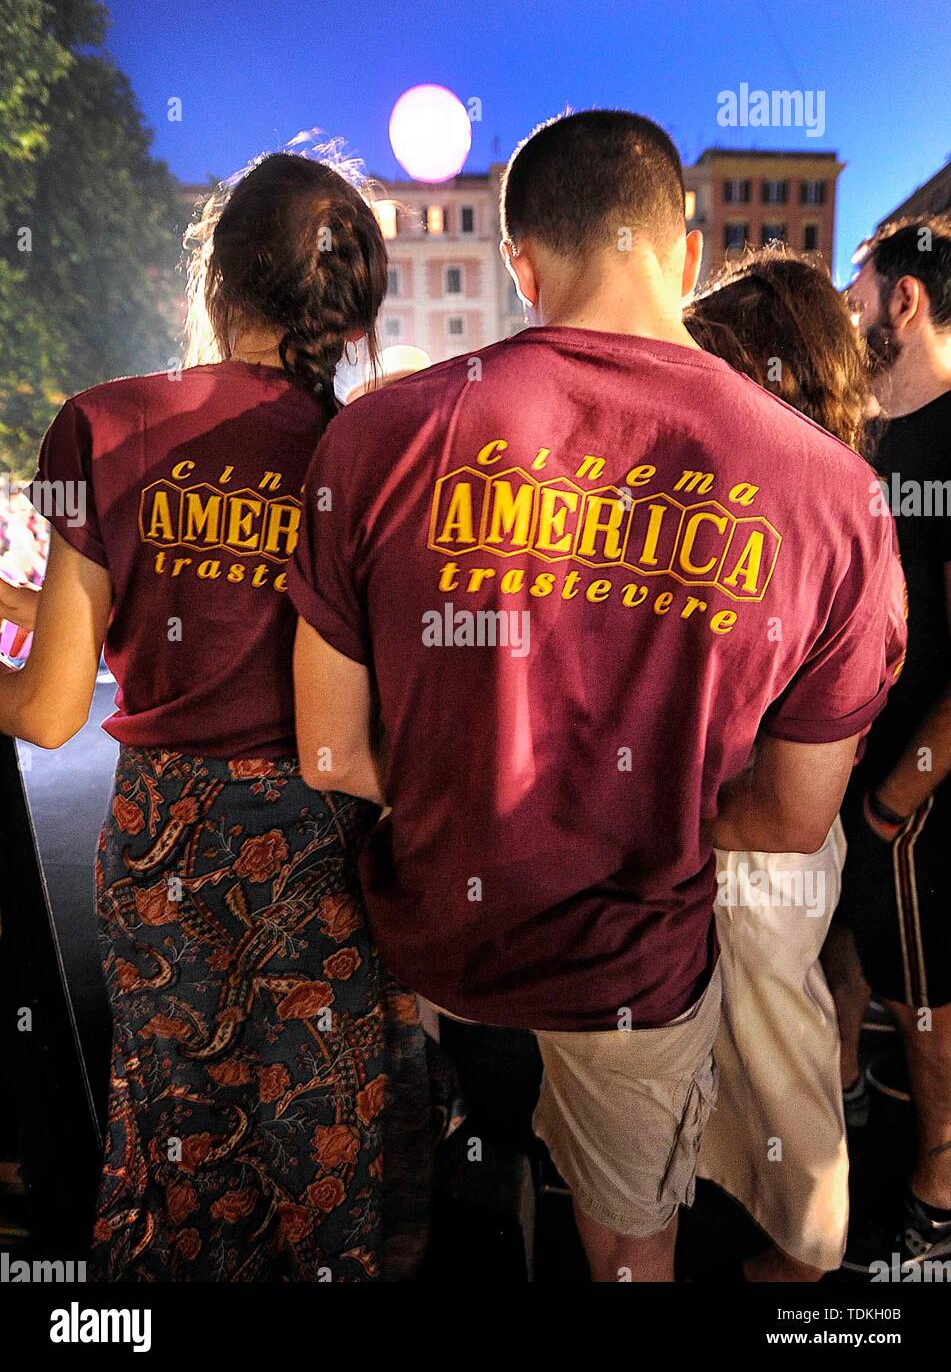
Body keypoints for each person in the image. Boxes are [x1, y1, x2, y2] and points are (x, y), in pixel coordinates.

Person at [286, 110, 901, 1282]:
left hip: (438, 949)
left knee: (460, 1211)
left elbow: (327, 752)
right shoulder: (831, 494)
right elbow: (791, 817)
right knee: (628, 1246)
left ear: (521, 264)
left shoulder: (380, 438)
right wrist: (646, 813)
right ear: (684, 248)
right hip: (632, 969)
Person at [0, 150, 425, 1281]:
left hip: (165, 844)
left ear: (218, 275)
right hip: (320, 839)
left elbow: (49, 711)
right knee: (322, 1137)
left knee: (178, 1144)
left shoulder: (100, 425)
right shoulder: (374, 449)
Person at [685, 248, 905, 1281]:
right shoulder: (833, 495)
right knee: (761, 1061)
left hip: (757, 844)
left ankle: (805, 1259)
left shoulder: (785, 508)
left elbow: (787, 809)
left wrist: (657, 814)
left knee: (783, 1068)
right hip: (762, 845)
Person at [828, 214, 951, 1272]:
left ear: (904, 301)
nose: (849, 308)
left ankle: (938, 1207)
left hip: (917, 803)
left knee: (930, 1000)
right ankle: (854, 1104)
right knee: (866, 966)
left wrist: (897, 799)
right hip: (865, 788)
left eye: (860, 290)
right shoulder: (874, 442)